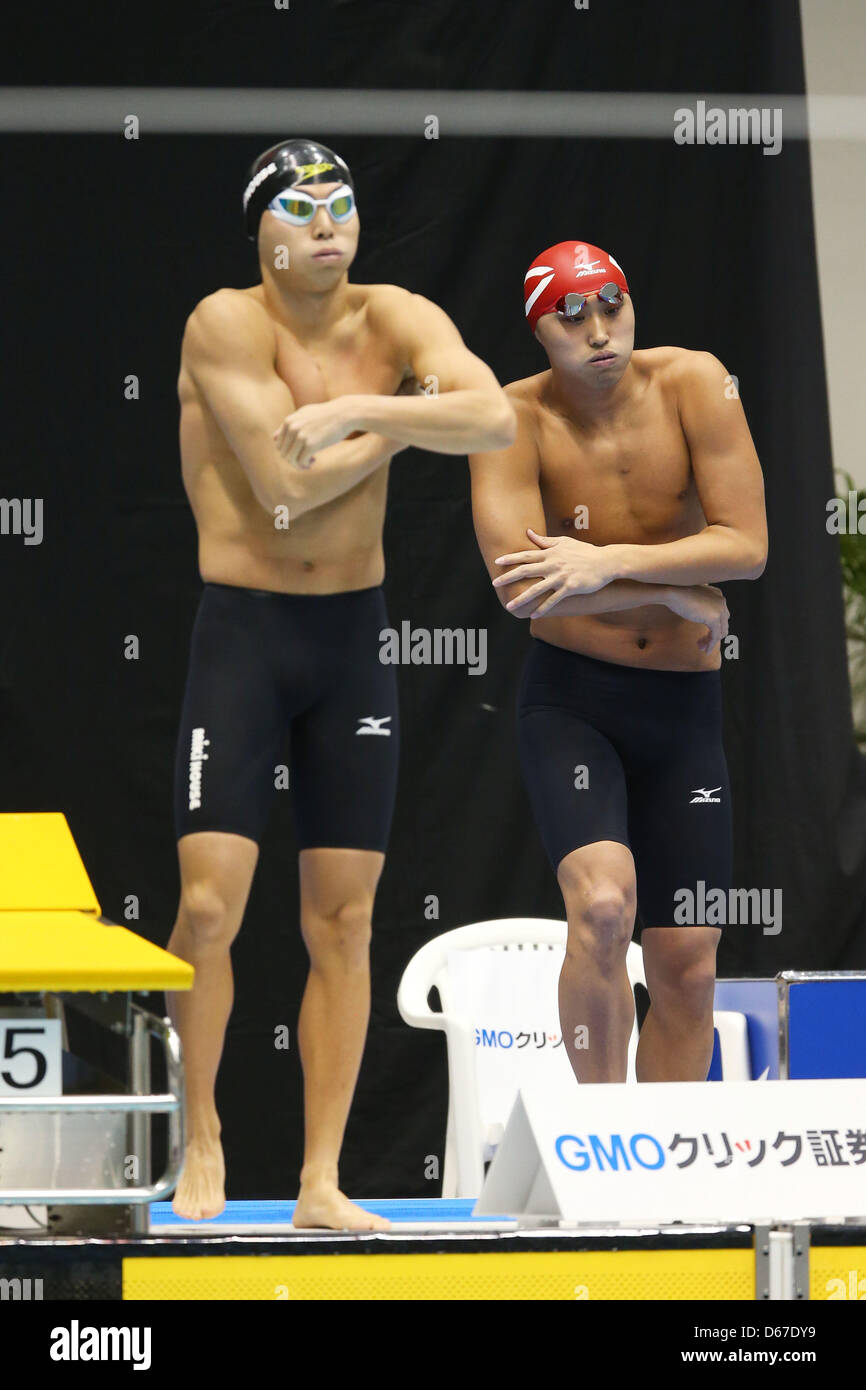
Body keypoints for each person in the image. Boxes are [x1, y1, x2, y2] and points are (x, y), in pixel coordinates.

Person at [168, 138, 515, 1229]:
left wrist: (355, 417)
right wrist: (402, 422)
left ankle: (321, 1178)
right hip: (244, 635)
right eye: (301, 207)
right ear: (261, 227)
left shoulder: (395, 315)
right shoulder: (224, 322)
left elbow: (494, 414)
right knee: (211, 907)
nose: (328, 225)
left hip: (349, 640)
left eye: (343, 206)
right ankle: (203, 1135)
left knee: (346, 920)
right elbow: (283, 488)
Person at [469, 240, 767, 1087]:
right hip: (576, 700)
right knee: (602, 909)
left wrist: (605, 561)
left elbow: (746, 546)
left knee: (688, 962)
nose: (599, 331)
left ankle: (662, 1183)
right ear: (540, 331)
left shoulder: (696, 383)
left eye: (612, 307)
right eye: (572, 317)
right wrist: (674, 592)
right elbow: (519, 588)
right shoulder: (511, 418)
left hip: (684, 710)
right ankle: (603, 1146)